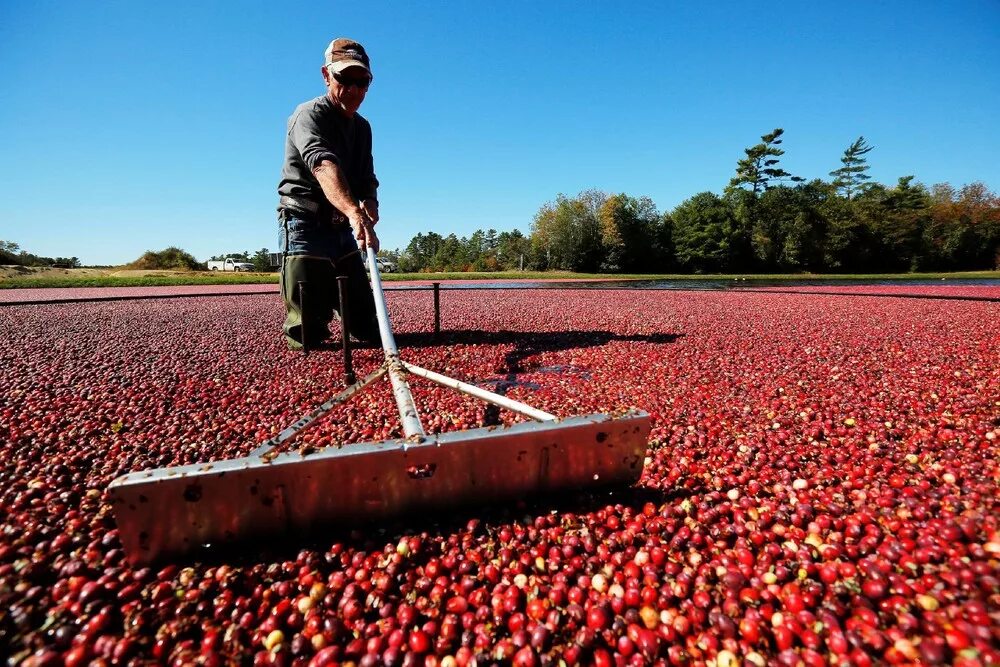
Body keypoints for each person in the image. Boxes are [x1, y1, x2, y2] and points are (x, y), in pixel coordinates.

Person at [276, 37, 382, 350]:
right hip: (304, 223)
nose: (354, 90)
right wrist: (354, 213)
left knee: (369, 327)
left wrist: (370, 204)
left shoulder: (362, 127)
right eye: (344, 79)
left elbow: (366, 175)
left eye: (362, 82)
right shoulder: (308, 115)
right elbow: (323, 165)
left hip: (340, 227)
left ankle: (360, 318)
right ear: (326, 75)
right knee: (307, 335)